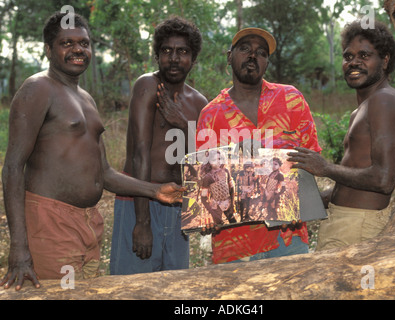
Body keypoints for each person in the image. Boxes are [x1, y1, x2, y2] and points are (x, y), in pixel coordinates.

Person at [0, 12, 184, 290]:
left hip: (88, 225)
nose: (78, 50)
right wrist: (19, 247)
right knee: (62, 294)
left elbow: (106, 173)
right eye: (67, 43)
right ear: (48, 49)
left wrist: (154, 191)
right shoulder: (38, 89)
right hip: (51, 224)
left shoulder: (85, 98)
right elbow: (13, 166)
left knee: (84, 294)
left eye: (84, 43)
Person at [196, 27, 321, 264]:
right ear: (229, 56)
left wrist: (302, 203)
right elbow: (205, 179)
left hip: (288, 237)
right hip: (233, 243)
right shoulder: (210, 115)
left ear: (266, 63)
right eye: (245, 49)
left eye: (261, 52)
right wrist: (206, 215)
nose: (253, 56)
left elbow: (310, 160)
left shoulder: (291, 99)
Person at [289, 20, 395, 251]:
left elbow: (383, 180)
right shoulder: (364, 107)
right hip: (347, 222)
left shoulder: (384, 101)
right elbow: (352, 184)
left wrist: (325, 168)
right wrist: (296, 204)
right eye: (348, 57)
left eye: (364, 55)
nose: (354, 62)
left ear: (385, 61)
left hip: (357, 226)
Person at [109, 16, 208, 275]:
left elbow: (201, 159)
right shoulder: (147, 87)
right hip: (140, 201)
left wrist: (182, 122)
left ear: (193, 59)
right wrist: (142, 223)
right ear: (157, 56)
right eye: (167, 51)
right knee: (131, 288)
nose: (174, 58)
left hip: (178, 205)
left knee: (173, 287)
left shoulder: (199, 103)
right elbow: (140, 155)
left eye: (182, 52)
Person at [200, 150, 236, 225]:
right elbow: (203, 198)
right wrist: (213, 213)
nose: (217, 162)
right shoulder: (208, 177)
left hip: (228, 202)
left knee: (233, 222)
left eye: (219, 159)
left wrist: (232, 204)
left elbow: (232, 188)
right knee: (219, 226)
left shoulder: (226, 171)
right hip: (215, 205)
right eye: (214, 160)